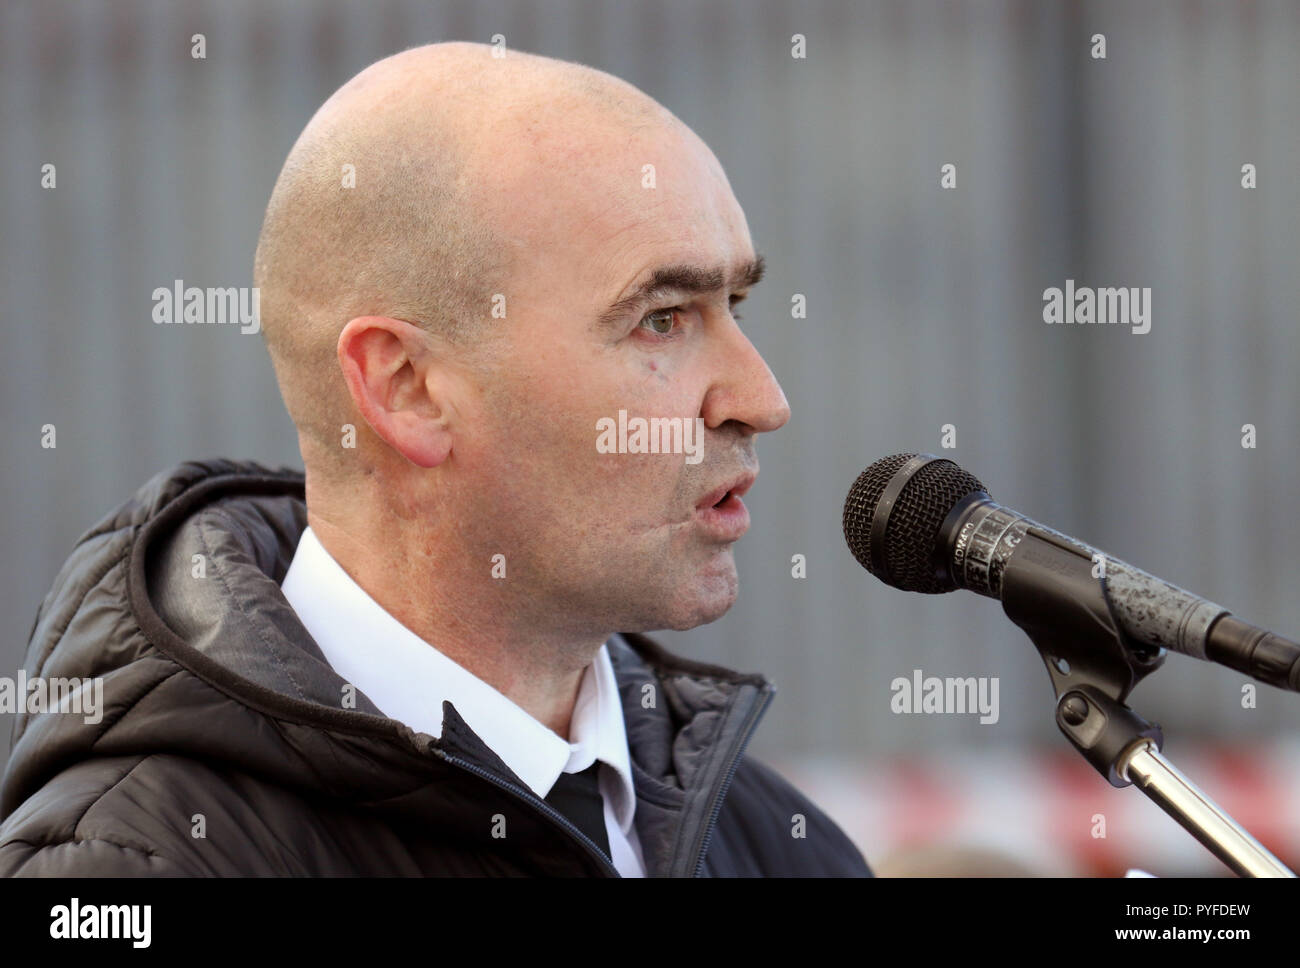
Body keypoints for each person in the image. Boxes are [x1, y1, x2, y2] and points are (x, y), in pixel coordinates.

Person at [0, 42, 870, 877]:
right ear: (407, 387)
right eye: (663, 318)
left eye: (738, 305)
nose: (761, 400)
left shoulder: (782, 846)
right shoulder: (137, 865)